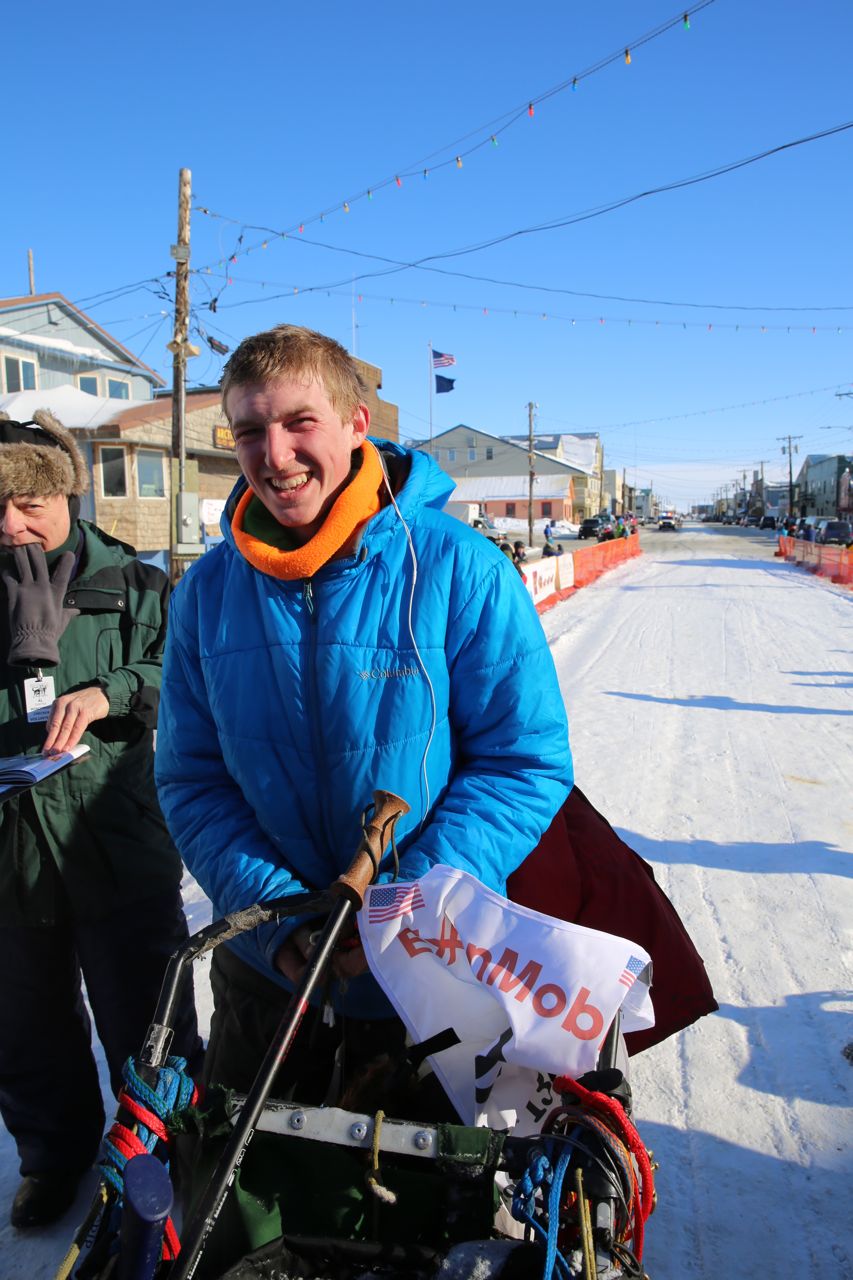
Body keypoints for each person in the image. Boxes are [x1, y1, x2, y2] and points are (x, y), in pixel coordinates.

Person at [155, 324, 572, 1113]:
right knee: (250, 1176)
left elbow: (523, 763)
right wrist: (274, 922)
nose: (274, 455)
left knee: (414, 1184)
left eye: (298, 422)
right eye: (249, 431)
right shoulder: (206, 592)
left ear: (356, 424)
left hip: (427, 964)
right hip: (268, 968)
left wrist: (400, 913)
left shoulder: (459, 568)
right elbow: (191, 780)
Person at [0, 412, 201, 1230]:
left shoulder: (135, 582)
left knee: (148, 1017)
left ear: (66, 496)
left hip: (114, 837)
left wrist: (108, 691)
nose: (10, 524)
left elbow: (180, 672)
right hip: (11, 852)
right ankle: (53, 1157)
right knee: (24, 1026)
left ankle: (167, 1150)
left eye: (28, 504)